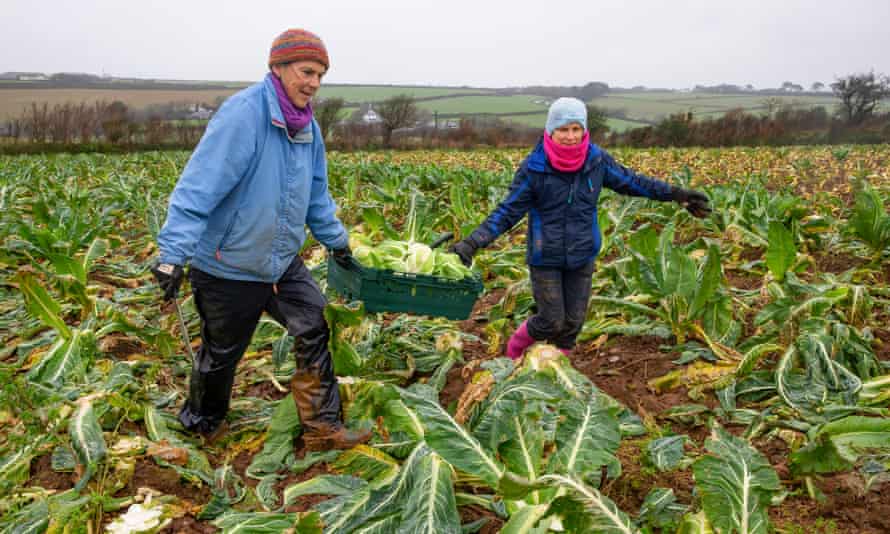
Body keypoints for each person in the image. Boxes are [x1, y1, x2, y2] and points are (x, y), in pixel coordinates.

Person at [151, 29, 370, 450]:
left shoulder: (308, 128)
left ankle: (322, 428)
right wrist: (172, 254)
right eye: (306, 72)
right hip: (228, 263)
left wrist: (338, 243)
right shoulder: (244, 115)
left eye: (321, 75)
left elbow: (316, 196)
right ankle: (204, 425)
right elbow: (198, 186)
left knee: (314, 323)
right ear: (279, 67)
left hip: (281, 262)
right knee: (222, 353)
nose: (314, 83)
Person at [450, 97, 711, 359]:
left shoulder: (596, 161)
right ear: (551, 130)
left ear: (584, 130)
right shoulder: (535, 168)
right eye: (563, 129)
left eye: (576, 129)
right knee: (551, 321)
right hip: (546, 256)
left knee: (572, 324)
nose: (571, 136)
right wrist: (472, 242)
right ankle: (513, 354)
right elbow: (507, 211)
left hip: (583, 253)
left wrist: (677, 194)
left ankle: (558, 367)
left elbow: (634, 182)